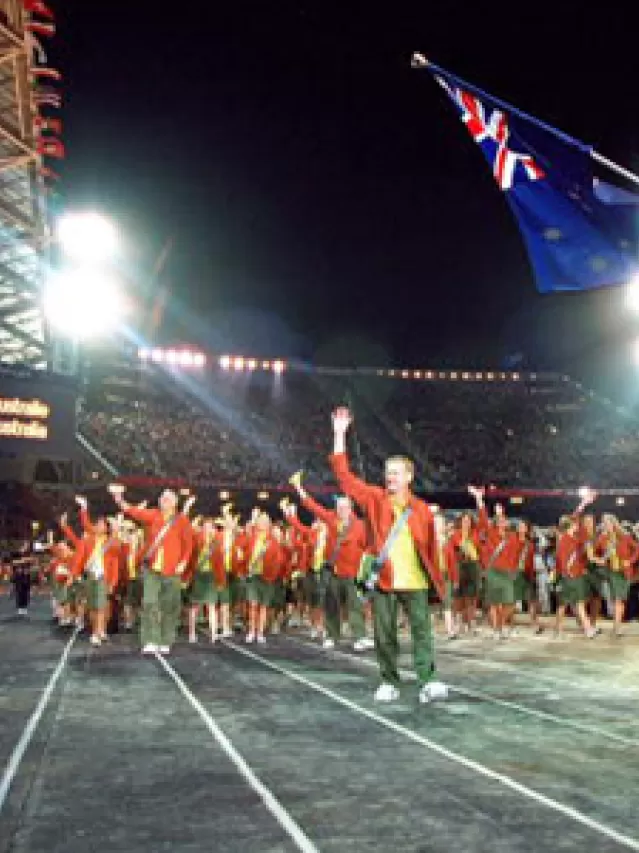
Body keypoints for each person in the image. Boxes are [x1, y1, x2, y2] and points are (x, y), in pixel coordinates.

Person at [329, 406, 448, 704]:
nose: (389, 478)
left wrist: (438, 581)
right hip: (384, 580)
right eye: (387, 473)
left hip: (417, 582)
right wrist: (339, 434)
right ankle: (389, 681)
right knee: (384, 636)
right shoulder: (374, 499)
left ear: (409, 476)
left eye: (395, 473)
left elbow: (431, 548)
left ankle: (429, 680)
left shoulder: (421, 509)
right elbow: (343, 476)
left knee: (423, 634)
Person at [109, 484, 194, 655]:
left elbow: (189, 544)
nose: (164, 501)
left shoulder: (181, 520)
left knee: (169, 606)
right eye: (162, 498)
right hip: (152, 569)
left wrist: (183, 562)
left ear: (175, 502)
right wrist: (119, 500)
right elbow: (134, 511)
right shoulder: (154, 515)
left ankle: (166, 640)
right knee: (149, 603)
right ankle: (150, 639)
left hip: (172, 570)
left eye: (168, 498)